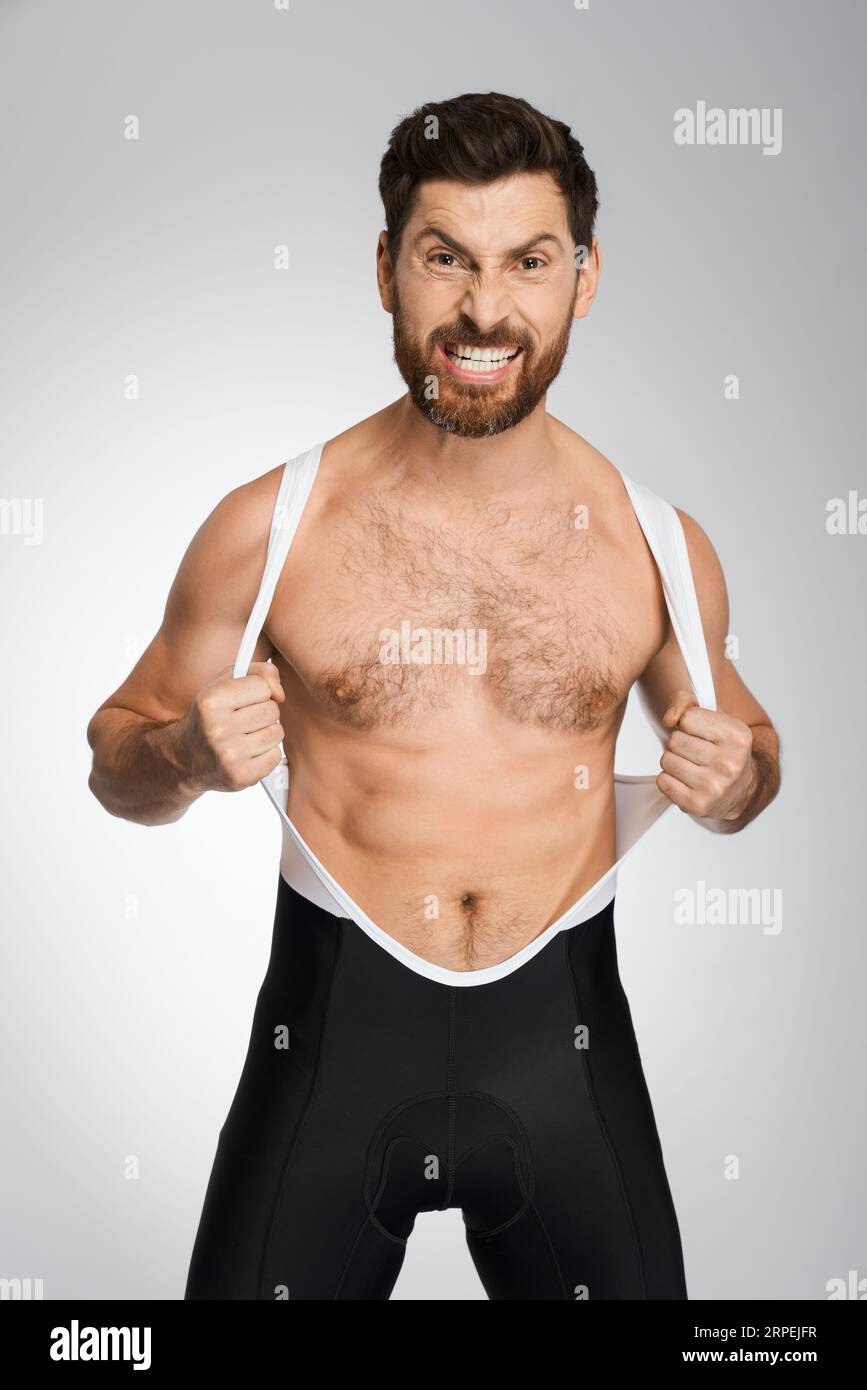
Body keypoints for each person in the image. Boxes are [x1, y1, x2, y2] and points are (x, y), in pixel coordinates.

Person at [87, 91, 780, 1300]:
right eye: (443, 258)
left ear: (586, 276)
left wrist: (741, 782)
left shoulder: (655, 545)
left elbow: (748, 748)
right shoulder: (275, 526)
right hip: (332, 1047)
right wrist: (187, 760)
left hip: (564, 1057)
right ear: (385, 269)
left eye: (529, 261)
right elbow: (116, 757)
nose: (482, 308)